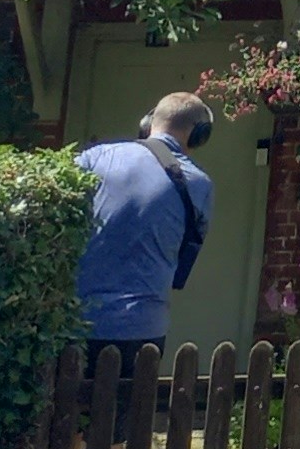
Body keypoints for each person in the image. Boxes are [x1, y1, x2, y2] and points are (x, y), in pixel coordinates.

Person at [74, 92, 216, 352]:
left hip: (77, 321)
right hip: (142, 328)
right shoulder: (198, 184)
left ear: (148, 123)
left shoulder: (95, 157)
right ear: (200, 134)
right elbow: (182, 266)